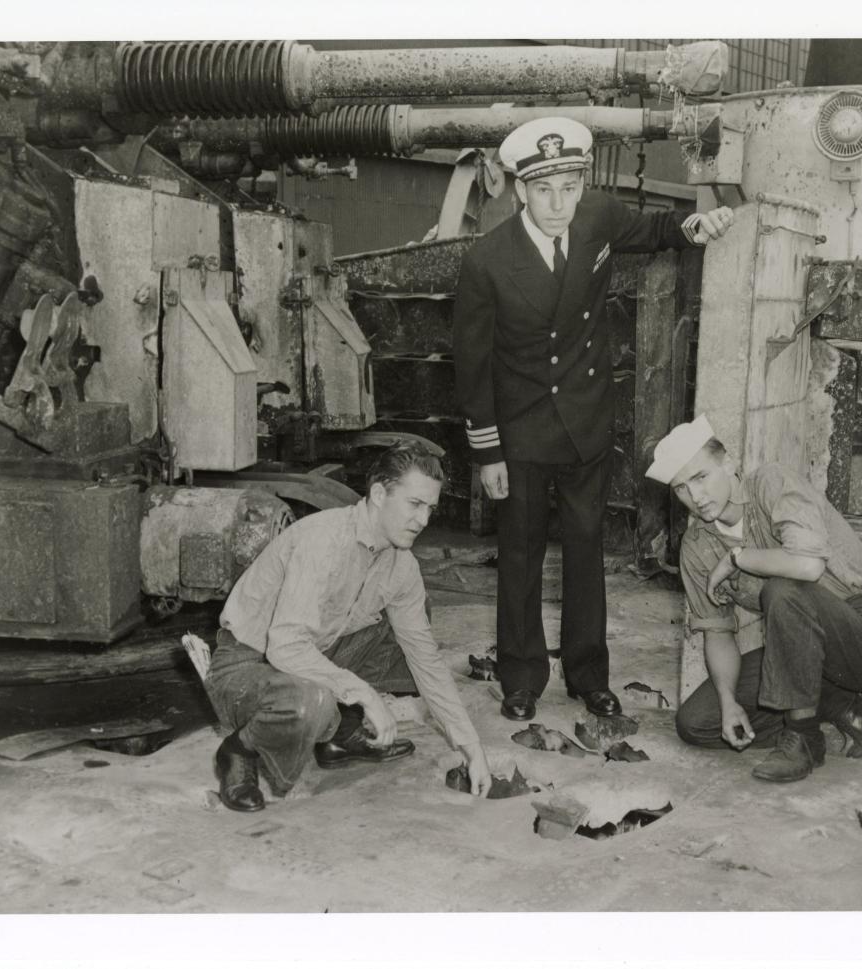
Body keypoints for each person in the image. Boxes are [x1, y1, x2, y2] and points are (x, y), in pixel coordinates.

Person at [453, 116, 734, 723]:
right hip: (520, 431)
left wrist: (698, 224)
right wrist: (488, 453)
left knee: (586, 554)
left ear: (581, 185)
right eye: (543, 190)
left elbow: (659, 227)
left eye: (569, 188)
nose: (558, 204)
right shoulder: (486, 261)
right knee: (521, 556)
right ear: (520, 189)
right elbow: (472, 366)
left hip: (584, 422)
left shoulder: (598, 219)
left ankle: (588, 676)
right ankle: (522, 677)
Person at [205, 442, 491, 811]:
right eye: (414, 504)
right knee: (314, 702)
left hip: (315, 650)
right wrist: (364, 694)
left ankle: (338, 735)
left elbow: (426, 660)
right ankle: (239, 752)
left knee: (406, 628)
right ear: (377, 494)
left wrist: (472, 747)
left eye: (430, 508)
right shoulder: (323, 540)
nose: (423, 520)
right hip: (248, 663)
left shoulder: (400, 564)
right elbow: (286, 647)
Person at [646, 415, 862, 782]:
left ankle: (803, 738)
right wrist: (728, 701)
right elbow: (718, 632)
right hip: (798, 648)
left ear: (729, 463)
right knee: (697, 723)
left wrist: (738, 557)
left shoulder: (771, 483)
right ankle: (844, 708)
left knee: (782, 589)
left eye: (701, 477)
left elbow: (808, 566)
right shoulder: (698, 545)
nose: (696, 497)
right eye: (681, 489)